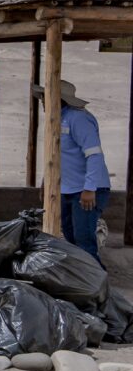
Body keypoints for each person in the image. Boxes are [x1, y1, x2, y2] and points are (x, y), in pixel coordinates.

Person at [44, 79, 111, 261]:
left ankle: (95, 283)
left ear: (59, 99)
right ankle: (82, 283)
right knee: (72, 240)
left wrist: (89, 188)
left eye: (46, 96)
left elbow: (94, 155)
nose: (42, 100)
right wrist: (46, 183)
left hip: (86, 191)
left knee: (84, 243)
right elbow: (56, 156)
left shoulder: (78, 118)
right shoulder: (56, 118)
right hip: (66, 189)